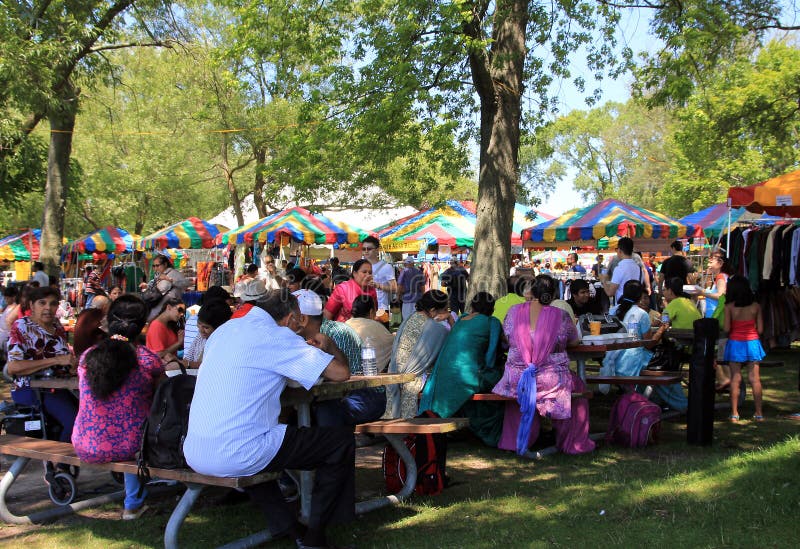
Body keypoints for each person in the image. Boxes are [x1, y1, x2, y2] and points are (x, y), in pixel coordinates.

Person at [184, 289, 353, 548]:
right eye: (299, 322)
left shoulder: (224, 331)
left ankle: (289, 527)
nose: (300, 328)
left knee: (260, 441)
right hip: (238, 449)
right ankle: (315, 537)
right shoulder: (279, 337)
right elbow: (341, 374)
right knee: (340, 442)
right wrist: (328, 345)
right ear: (290, 319)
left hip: (196, 450)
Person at [71, 295, 164, 520]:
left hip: (87, 442)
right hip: (132, 446)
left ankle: (134, 502)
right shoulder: (148, 360)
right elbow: (160, 401)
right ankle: (133, 505)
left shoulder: (87, 357)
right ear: (142, 325)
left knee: (131, 433)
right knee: (137, 435)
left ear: (109, 321)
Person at [492, 275, 594, 455]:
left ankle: (513, 442)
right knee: (578, 389)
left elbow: (507, 338)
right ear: (553, 294)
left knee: (518, 399)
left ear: (531, 292)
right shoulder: (561, 316)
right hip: (551, 381)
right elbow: (573, 341)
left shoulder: (513, 312)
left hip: (516, 380)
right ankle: (573, 442)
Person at [419, 292, 505, 446]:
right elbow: (491, 357)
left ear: (472, 306)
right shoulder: (492, 322)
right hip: (467, 376)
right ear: (492, 309)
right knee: (501, 382)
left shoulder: (462, 319)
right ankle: (493, 433)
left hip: (442, 375)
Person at [293, 289, 387, 427]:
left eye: (290, 317)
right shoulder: (298, 338)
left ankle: (336, 447)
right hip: (335, 396)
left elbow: (341, 382)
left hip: (365, 395)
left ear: (302, 319)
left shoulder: (337, 333)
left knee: (325, 409)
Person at [6, 286, 78, 442]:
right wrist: (56, 360)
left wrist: (72, 364)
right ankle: (59, 463)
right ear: (32, 305)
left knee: (90, 414)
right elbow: (13, 367)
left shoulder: (57, 326)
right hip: (32, 388)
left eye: (53, 303)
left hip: (60, 387)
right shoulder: (22, 326)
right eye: (42, 303)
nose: (48, 308)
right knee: (74, 421)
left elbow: (64, 358)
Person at [601, 281, 684, 409]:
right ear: (640, 295)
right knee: (665, 368)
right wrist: (662, 329)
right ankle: (681, 404)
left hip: (613, 360)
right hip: (633, 361)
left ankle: (653, 400)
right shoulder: (641, 314)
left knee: (657, 368)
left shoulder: (613, 310)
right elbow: (649, 344)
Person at [386, 290, 451, 418]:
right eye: (444, 310)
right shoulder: (436, 328)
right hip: (412, 378)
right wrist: (450, 320)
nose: (446, 313)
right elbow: (451, 344)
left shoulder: (410, 317)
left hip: (395, 374)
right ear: (433, 310)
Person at [723, 275, 766, 422]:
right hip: (752, 343)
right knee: (755, 379)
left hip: (735, 343)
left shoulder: (729, 307)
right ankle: (759, 412)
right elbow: (760, 329)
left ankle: (735, 413)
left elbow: (727, 328)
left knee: (735, 378)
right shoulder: (756, 306)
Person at [345, 295, 394, 373]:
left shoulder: (345, 325)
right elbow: (392, 344)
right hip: (369, 373)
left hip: (347, 372)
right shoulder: (375, 326)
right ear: (371, 312)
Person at [182, 300, 232, 369]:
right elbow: (187, 358)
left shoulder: (224, 342)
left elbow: (212, 365)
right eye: (199, 323)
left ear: (219, 328)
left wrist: (189, 364)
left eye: (206, 327)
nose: (200, 330)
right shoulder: (200, 337)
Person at [140, 256, 190, 322]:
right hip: (159, 305)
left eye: (157, 265)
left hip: (171, 307)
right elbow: (154, 283)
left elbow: (186, 283)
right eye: (154, 266)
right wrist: (147, 285)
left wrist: (170, 280)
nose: (155, 268)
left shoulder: (174, 273)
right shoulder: (158, 274)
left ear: (165, 264)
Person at [360, 236, 397, 326]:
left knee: (382, 336)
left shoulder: (386, 267)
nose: (366, 251)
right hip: (363, 308)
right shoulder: (359, 266)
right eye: (363, 249)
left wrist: (378, 285)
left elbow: (394, 288)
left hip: (381, 309)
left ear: (377, 250)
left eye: (369, 249)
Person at [601, 237, 643, 303]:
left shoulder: (619, 268)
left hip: (622, 307)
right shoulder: (638, 267)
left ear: (620, 250)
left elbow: (610, 293)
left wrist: (603, 281)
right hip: (635, 305)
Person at [0, 285, 20, 351]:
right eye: (5, 298)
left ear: (14, 297)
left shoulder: (15, 308)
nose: (6, 300)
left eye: (7, 298)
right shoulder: (8, 306)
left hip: (6, 335)